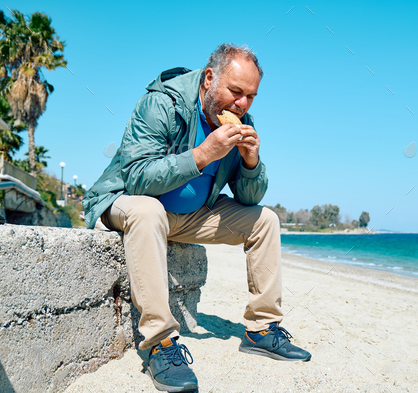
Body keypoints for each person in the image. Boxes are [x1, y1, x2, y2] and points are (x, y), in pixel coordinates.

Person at [82, 43, 311, 393]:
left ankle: (262, 330)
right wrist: (203, 154)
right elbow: (138, 178)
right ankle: (160, 343)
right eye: (236, 91)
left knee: (266, 219)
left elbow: (250, 198)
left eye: (251, 96)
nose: (242, 104)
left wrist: (251, 163)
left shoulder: (243, 121)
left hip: (191, 216)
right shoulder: (162, 103)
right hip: (128, 201)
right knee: (148, 210)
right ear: (209, 78)